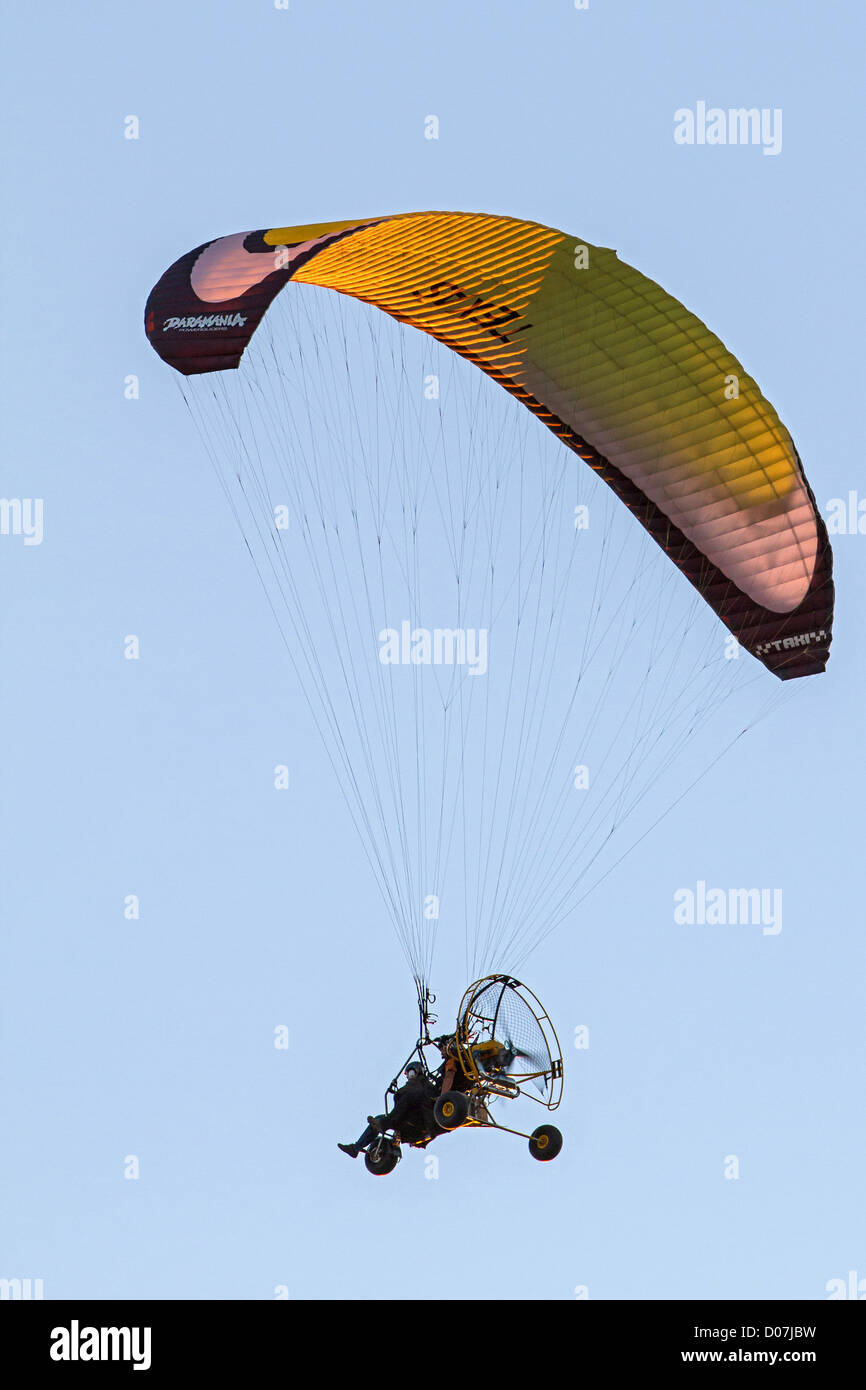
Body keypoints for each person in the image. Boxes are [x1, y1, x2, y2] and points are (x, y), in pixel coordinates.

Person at [337, 1060, 436, 1158]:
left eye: (409, 1074)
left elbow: (407, 1095)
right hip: (413, 1121)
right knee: (380, 1119)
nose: (408, 1077)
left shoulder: (419, 1083)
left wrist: (397, 1093)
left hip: (415, 1120)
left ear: (415, 1072)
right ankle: (356, 1148)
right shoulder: (420, 1085)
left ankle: (356, 1147)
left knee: (381, 1120)